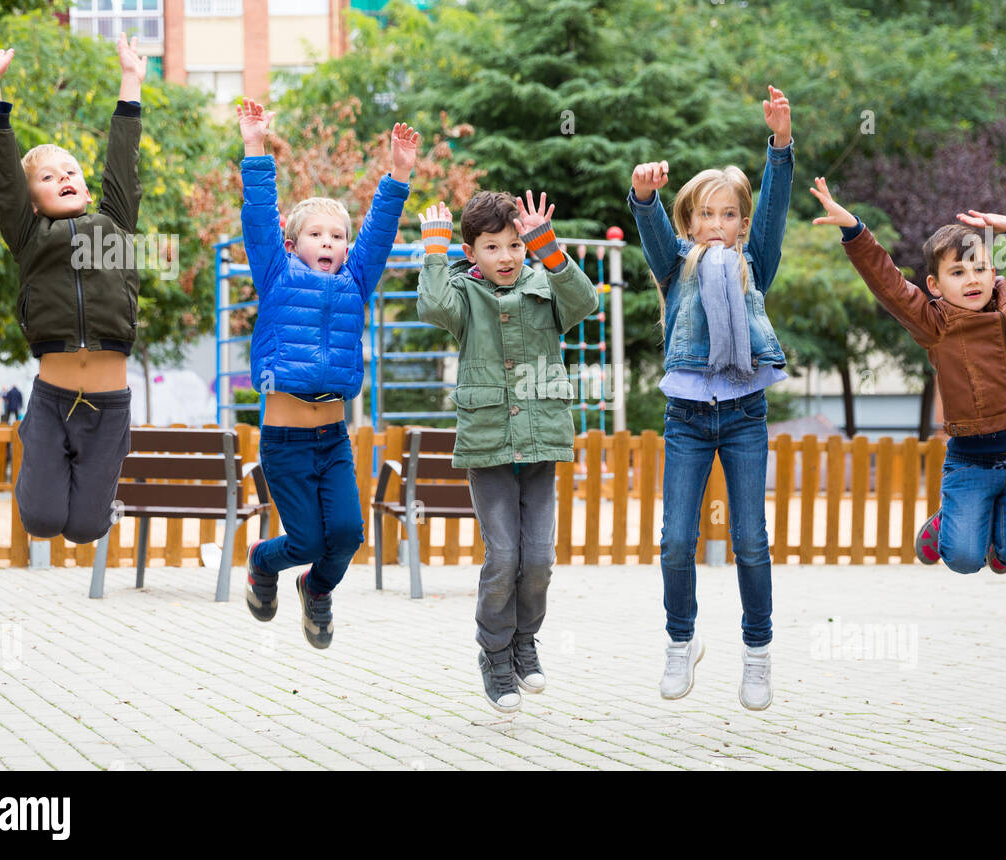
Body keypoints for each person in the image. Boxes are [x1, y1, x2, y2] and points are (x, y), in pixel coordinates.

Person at [627, 85, 794, 711]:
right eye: (706, 215)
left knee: (751, 538)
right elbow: (649, 226)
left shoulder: (757, 262)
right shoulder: (679, 267)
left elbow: (775, 208)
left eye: (729, 215)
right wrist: (644, 194)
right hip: (688, 419)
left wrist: (779, 144)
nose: (718, 225)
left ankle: (757, 653)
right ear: (689, 223)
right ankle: (680, 641)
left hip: (746, 416)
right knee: (676, 539)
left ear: (742, 224)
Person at [809, 176, 1006, 576]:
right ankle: (950, 520)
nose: (972, 280)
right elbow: (889, 284)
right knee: (961, 560)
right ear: (935, 284)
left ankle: (1002, 535)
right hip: (971, 461)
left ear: (993, 270)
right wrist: (854, 231)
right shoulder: (935, 322)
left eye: (980, 268)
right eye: (958, 273)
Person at [236, 97, 417, 649]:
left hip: (331, 436)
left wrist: (398, 175)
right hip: (287, 439)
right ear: (294, 245)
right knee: (307, 538)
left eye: (337, 237)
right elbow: (261, 213)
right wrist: (255, 145)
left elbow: (379, 233)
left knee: (346, 535)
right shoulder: (276, 274)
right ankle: (263, 561)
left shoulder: (354, 283)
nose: (330, 243)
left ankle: (316, 592)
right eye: (317, 235)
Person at [416, 191, 598, 713]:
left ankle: (524, 644)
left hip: (540, 444)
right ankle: (494, 654)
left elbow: (585, 301)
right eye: (492, 246)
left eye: (515, 245)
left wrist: (549, 247)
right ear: (472, 251)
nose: (506, 256)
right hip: (489, 447)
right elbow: (432, 306)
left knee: (538, 559)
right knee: (505, 557)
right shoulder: (460, 293)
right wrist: (434, 251)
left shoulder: (546, 284)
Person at [0, 37, 144, 544]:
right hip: (52, 401)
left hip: (109, 404)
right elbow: (3, 176)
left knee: (87, 529)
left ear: (89, 189)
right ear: (31, 203)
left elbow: (123, 158)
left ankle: (98, 497)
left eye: (71, 172)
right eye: (48, 177)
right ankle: (41, 459)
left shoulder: (114, 222)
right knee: (43, 521)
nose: (63, 178)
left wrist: (131, 79)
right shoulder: (28, 237)